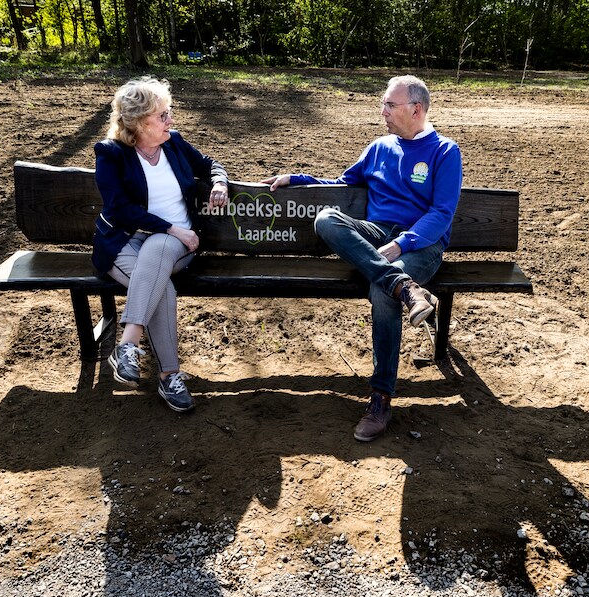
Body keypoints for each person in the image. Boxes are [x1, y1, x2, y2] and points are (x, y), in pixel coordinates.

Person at [263, 75, 462, 442]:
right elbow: (341, 184)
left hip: (421, 245)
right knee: (326, 219)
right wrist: (297, 178)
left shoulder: (445, 152)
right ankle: (404, 286)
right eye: (384, 103)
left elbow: (442, 213)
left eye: (390, 104)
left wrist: (403, 244)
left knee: (380, 290)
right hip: (376, 232)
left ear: (415, 109)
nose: (382, 111)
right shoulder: (378, 148)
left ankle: (381, 397)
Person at [92, 77, 229, 412]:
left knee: (158, 248)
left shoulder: (175, 143)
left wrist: (219, 182)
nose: (171, 120)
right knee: (160, 286)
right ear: (140, 124)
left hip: (175, 245)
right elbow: (120, 210)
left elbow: (211, 164)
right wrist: (171, 227)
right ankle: (169, 376)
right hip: (123, 242)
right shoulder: (111, 154)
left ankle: (127, 345)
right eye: (163, 115)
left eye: (169, 113)